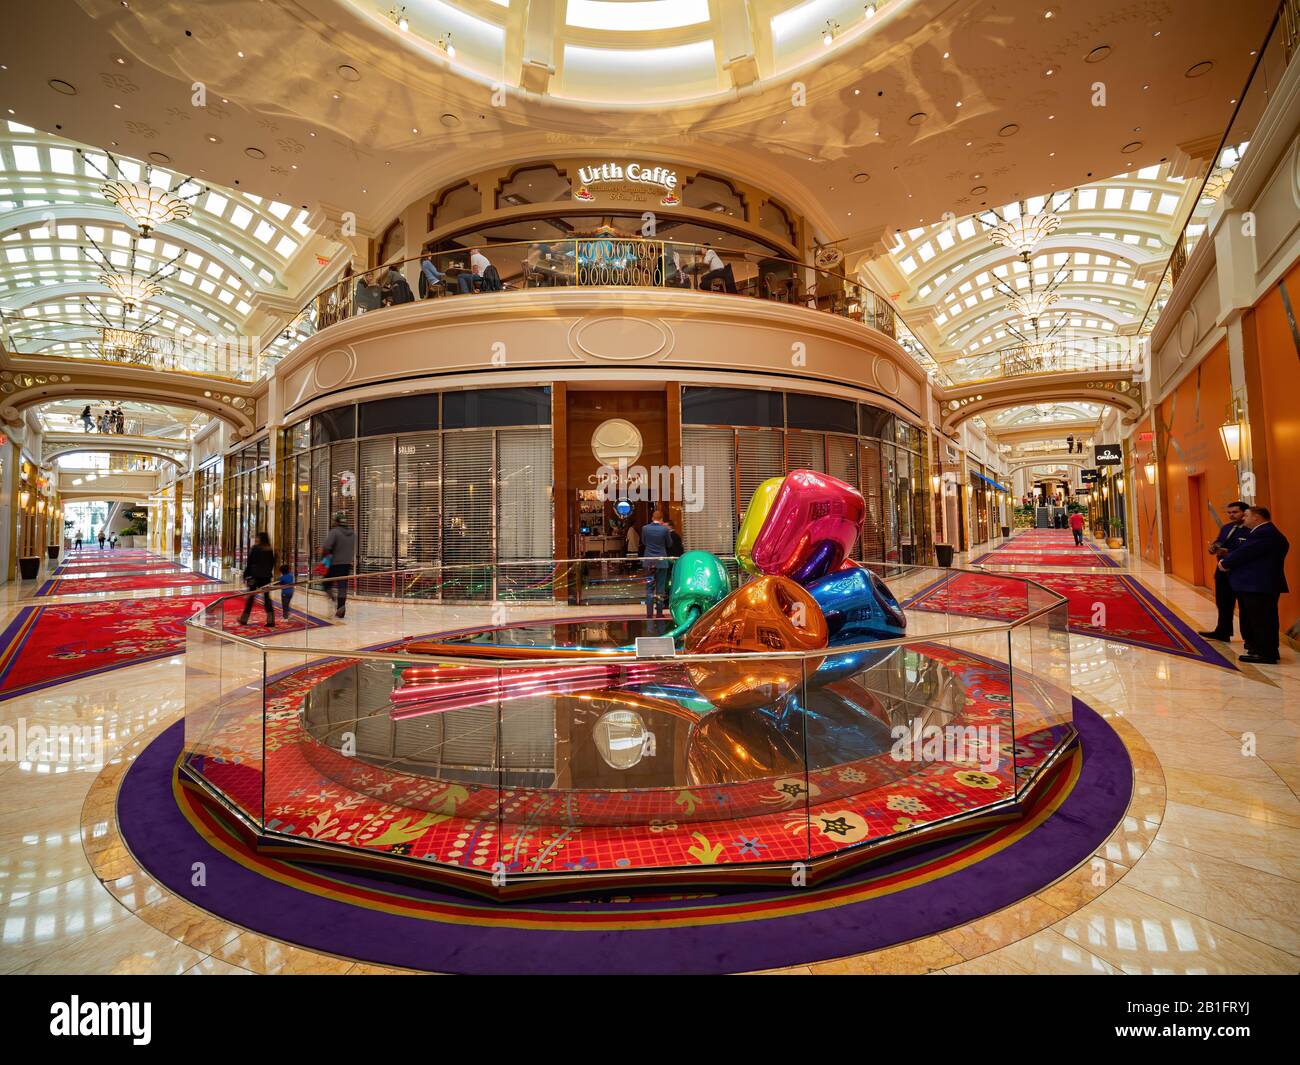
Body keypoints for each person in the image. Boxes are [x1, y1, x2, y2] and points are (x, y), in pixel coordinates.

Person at [1218, 505, 1289, 665]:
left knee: (1262, 619)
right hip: (1258, 583)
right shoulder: (1263, 532)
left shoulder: (1264, 533)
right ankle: (1262, 649)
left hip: (1258, 584)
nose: (1244, 518)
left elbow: (1245, 552)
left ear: (1256, 517)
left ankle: (1266, 653)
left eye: (1247, 516)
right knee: (1260, 619)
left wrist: (1225, 563)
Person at [1198, 501, 1249, 642]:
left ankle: (1249, 639)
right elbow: (1220, 542)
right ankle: (1222, 631)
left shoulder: (1249, 529)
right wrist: (1214, 547)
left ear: (1244, 513)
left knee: (1245, 607)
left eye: (1235, 512)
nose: (1231, 515)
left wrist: (1228, 552)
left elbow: (1246, 551)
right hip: (1222, 572)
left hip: (1240, 573)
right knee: (1223, 603)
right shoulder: (1227, 528)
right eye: (1229, 512)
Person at [321, 510, 356, 619]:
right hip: (346, 565)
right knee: (342, 587)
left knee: (326, 583)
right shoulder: (353, 534)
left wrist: (324, 557)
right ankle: (341, 608)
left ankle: (332, 600)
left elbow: (327, 547)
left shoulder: (334, 532)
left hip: (333, 564)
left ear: (336, 522)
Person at [638, 509, 673, 619]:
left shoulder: (645, 528)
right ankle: (659, 612)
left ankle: (649, 613)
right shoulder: (664, 529)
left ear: (652, 518)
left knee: (649, 587)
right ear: (661, 519)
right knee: (660, 588)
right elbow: (669, 543)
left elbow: (643, 542)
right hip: (661, 561)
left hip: (648, 561)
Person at [238, 531, 277, 628]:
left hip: (255, 577)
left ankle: (244, 619)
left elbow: (250, 563)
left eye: (257, 537)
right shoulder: (269, 550)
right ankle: (271, 620)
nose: (256, 539)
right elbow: (272, 564)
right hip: (266, 577)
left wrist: (245, 575)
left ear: (260, 539)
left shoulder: (255, 548)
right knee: (267, 598)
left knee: (251, 598)